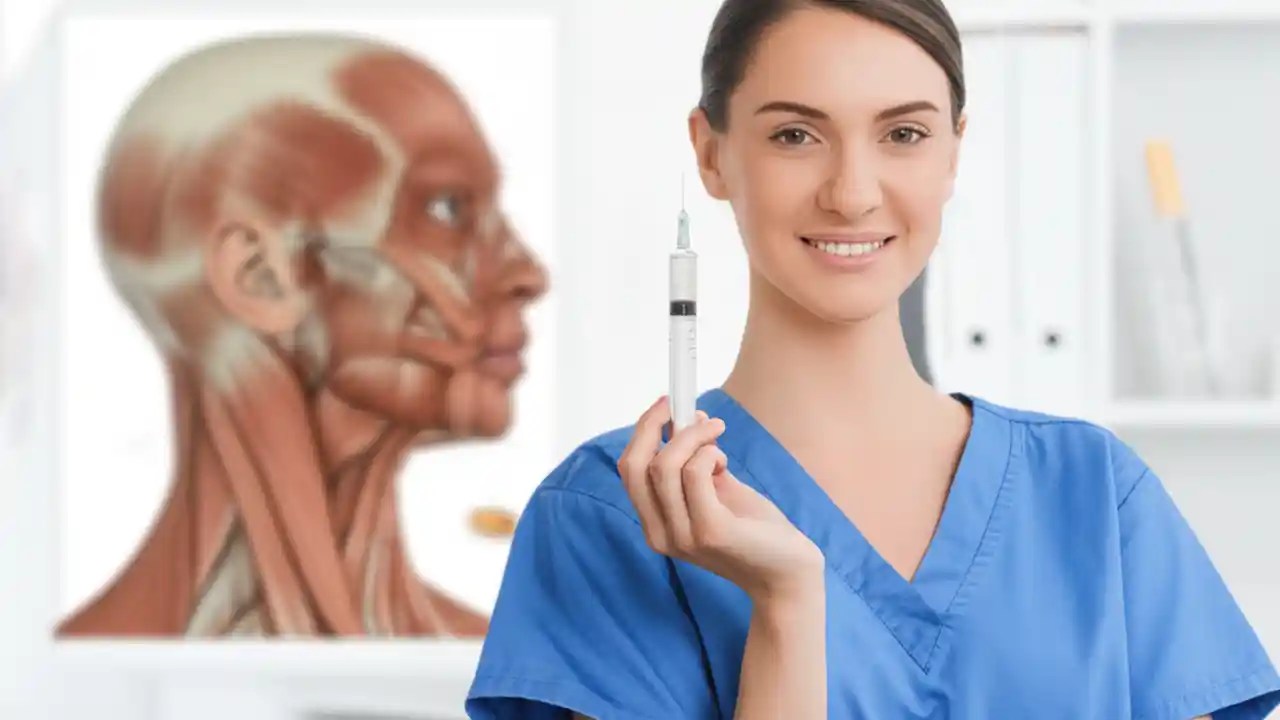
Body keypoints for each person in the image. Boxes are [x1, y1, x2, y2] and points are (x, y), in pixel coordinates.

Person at [465, 0, 1280, 717]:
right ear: (710, 153)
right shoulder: (612, 517)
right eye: (795, 134)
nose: (852, 192)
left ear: (953, 152)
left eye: (904, 134)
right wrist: (785, 607)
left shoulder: (1094, 493)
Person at [57, 35, 547, 637]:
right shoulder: (62, 689)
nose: (529, 274)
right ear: (260, 276)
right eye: (448, 208)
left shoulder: (505, 674)